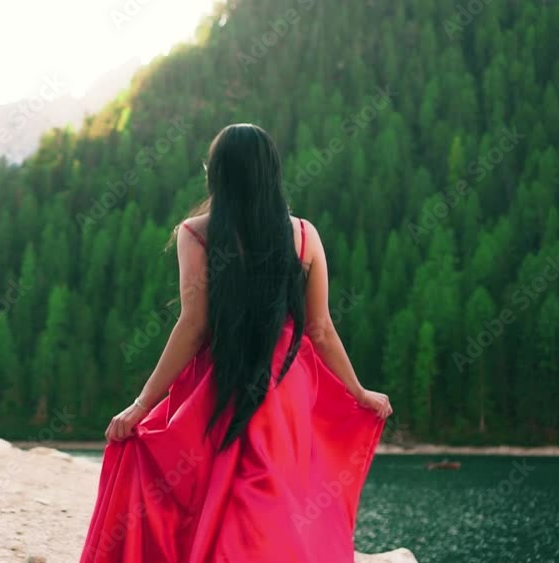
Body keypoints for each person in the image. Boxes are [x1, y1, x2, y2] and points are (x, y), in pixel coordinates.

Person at [81, 123, 393, 563]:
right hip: (284, 387)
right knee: (268, 498)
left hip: (218, 380)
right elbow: (319, 328)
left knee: (195, 490)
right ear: (272, 173)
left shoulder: (196, 233)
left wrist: (141, 406)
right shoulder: (304, 235)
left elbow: (193, 327)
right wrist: (358, 391)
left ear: (217, 174)